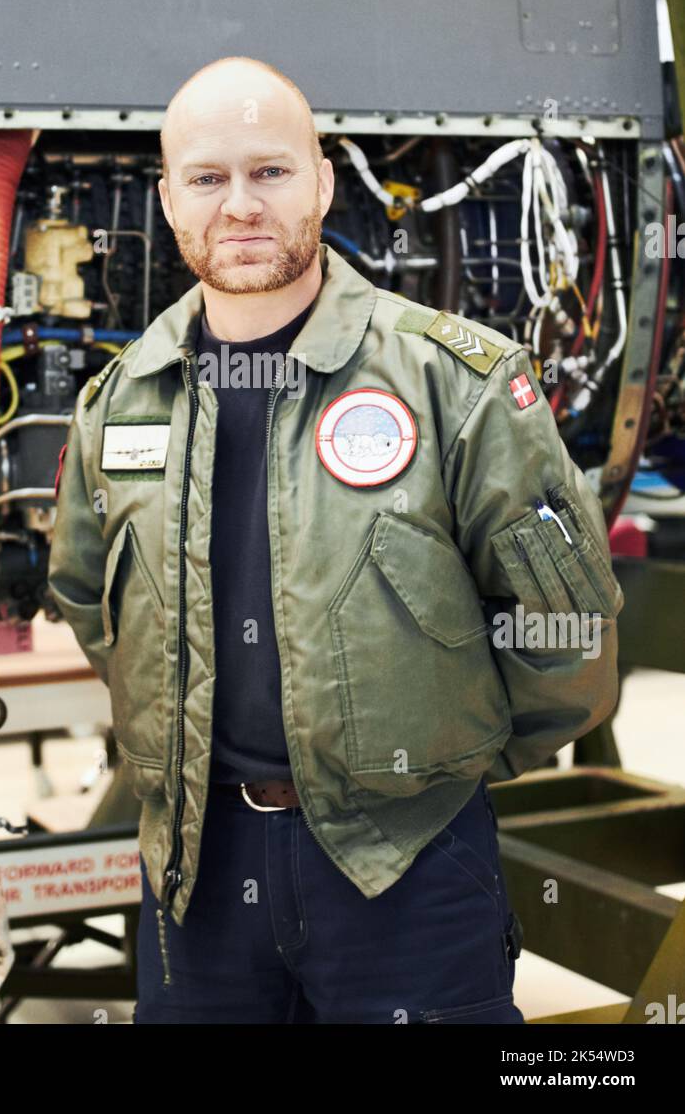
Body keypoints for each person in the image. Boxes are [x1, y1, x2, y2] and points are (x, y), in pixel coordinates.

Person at [47, 56, 624, 1024]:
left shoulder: (454, 381)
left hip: (407, 864)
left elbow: (561, 630)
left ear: (320, 180)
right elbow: (88, 604)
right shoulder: (121, 400)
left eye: (270, 171)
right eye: (207, 178)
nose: (239, 205)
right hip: (195, 868)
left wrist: (445, 764)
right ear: (169, 202)